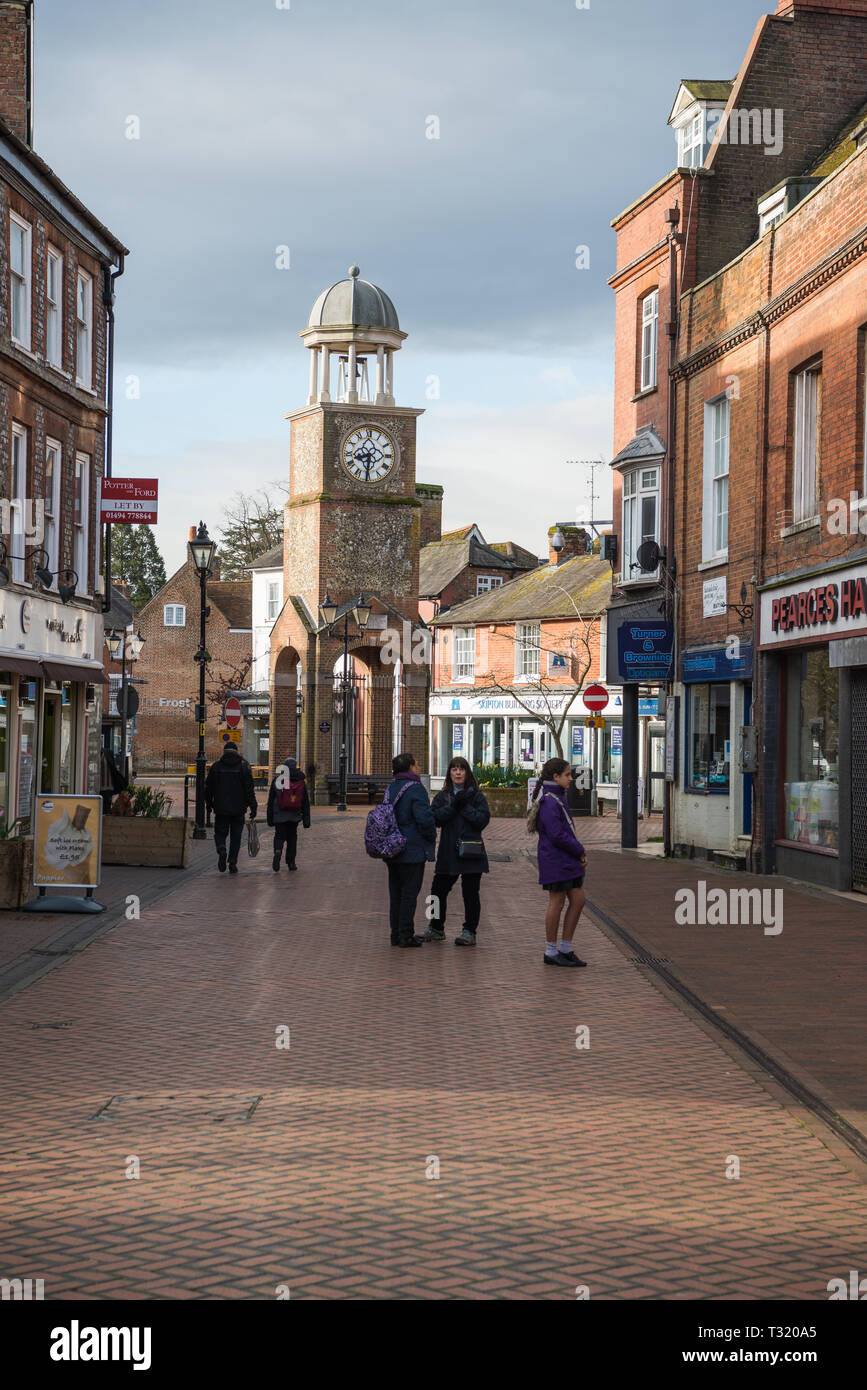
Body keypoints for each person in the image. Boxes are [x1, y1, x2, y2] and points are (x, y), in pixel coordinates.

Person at [423, 756, 490, 946]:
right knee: (436, 892)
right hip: (448, 851)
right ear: (449, 773)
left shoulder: (476, 796)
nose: (458, 772)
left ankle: (469, 930)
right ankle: (435, 927)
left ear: (467, 773)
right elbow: (435, 819)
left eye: (461, 769)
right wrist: (453, 807)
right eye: (454, 769)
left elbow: (482, 820)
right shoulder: (442, 796)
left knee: (470, 893)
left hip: (471, 851)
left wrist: (465, 807)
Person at [530, 757, 588, 968]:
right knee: (557, 902)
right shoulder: (550, 801)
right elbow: (557, 835)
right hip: (555, 859)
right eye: (567, 775)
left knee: (578, 900)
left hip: (564, 859)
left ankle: (564, 948)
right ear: (555, 777)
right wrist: (579, 850)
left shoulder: (556, 797)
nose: (571, 779)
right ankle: (551, 950)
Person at [383, 751, 436, 947]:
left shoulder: (391, 788)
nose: (420, 768)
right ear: (411, 767)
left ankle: (395, 934)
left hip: (391, 847)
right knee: (409, 893)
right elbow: (424, 819)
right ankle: (406, 934)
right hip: (412, 849)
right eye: (417, 764)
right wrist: (431, 837)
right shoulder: (416, 789)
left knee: (395, 893)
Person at [204, 744, 257, 874]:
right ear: (236, 752)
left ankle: (221, 848)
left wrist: (209, 804)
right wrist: (253, 806)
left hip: (221, 808)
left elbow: (208, 788)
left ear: (224, 752)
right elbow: (249, 790)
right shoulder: (243, 767)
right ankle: (232, 862)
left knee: (220, 833)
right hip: (239, 809)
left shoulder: (216, 767)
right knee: (236, 837)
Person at [267, 755, 311, 871]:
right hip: (294, 815)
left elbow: (271, 800)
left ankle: (277, 851)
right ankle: (291, 862)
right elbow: (305, 801)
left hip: (279, 815)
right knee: (292, 838)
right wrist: (306, 819)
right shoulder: (300, 781)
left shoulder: (278, 780)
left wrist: (270, 818)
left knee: (279, 836)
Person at [99, 743, 127, 814]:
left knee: (106, 807)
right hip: (97, 787)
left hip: (107, 787)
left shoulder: (107, 753)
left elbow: (113, 769)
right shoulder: (91, 755)